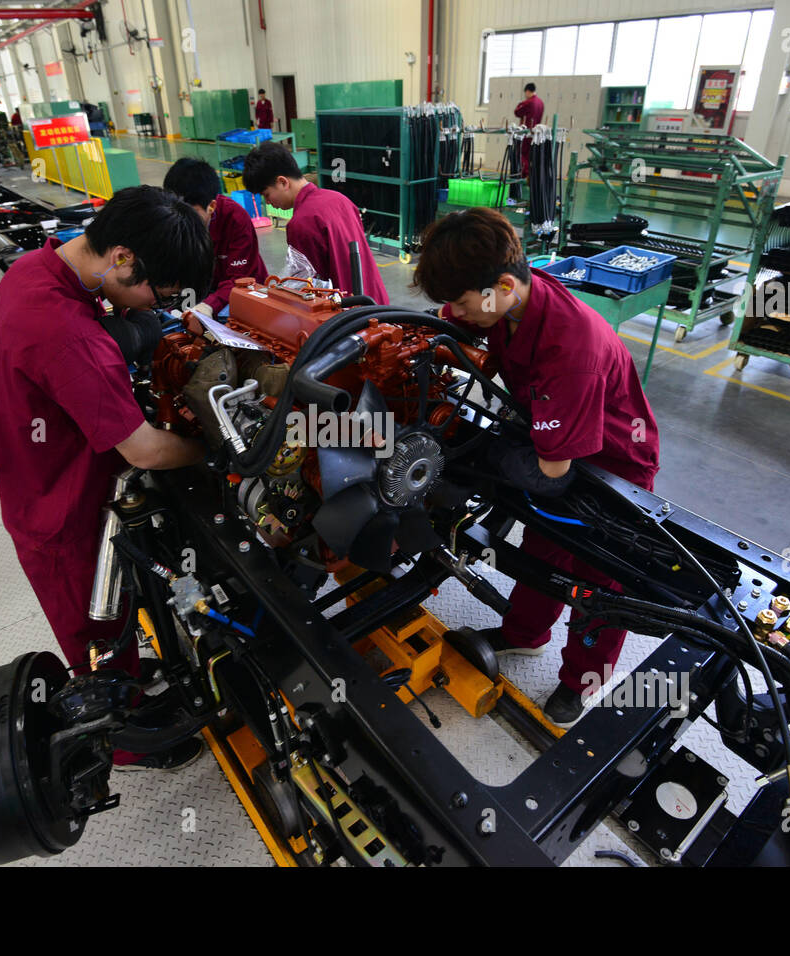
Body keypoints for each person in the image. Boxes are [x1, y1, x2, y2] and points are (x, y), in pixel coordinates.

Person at [0, 186, 213, 771]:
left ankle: (133, 683)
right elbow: (142, 449)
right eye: (152, 291)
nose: (152, 303)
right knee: (97, 631)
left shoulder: (38, 268)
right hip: (59, 509)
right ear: (121, 257)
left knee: (113, 619)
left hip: (56, 470)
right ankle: (128, 742)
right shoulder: (69, 334)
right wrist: (217, 449)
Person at [413, 207, 660, 726]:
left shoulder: (572, 348)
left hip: (611, 463)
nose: (457, 312)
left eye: (461, 302)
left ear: (503, 285)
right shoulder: (512, 296)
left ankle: (580, 680)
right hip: (554, 431)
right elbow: (447, 329)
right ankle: (525, 636)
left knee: (598, 576)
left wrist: (483, 455)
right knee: (544, 545)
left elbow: (552, 471)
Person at [242, 142, 388, 304]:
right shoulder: (340, 199)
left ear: (283, 182)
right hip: (375, 301)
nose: (268, 203)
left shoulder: (301, 223)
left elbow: (308, 288)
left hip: (347, 313)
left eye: (266, 194)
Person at [163, 157, 268, 317]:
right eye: (177, 213)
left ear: (211, 206)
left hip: (243, 289)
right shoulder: (171, 218)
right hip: (202, 290)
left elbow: (239, 278)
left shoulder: (236, 219)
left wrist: (209, 305)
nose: (182, 222)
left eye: (191, 214)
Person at [514, 82, 545, 178]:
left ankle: (524, 174)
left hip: (526, 133)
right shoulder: (541, 102)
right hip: (536, 133)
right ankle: (531, 175)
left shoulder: (528, 102)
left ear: (527, 91)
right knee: (531, 155)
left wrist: (520, 104)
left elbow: (517, 112)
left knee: (522, 154)